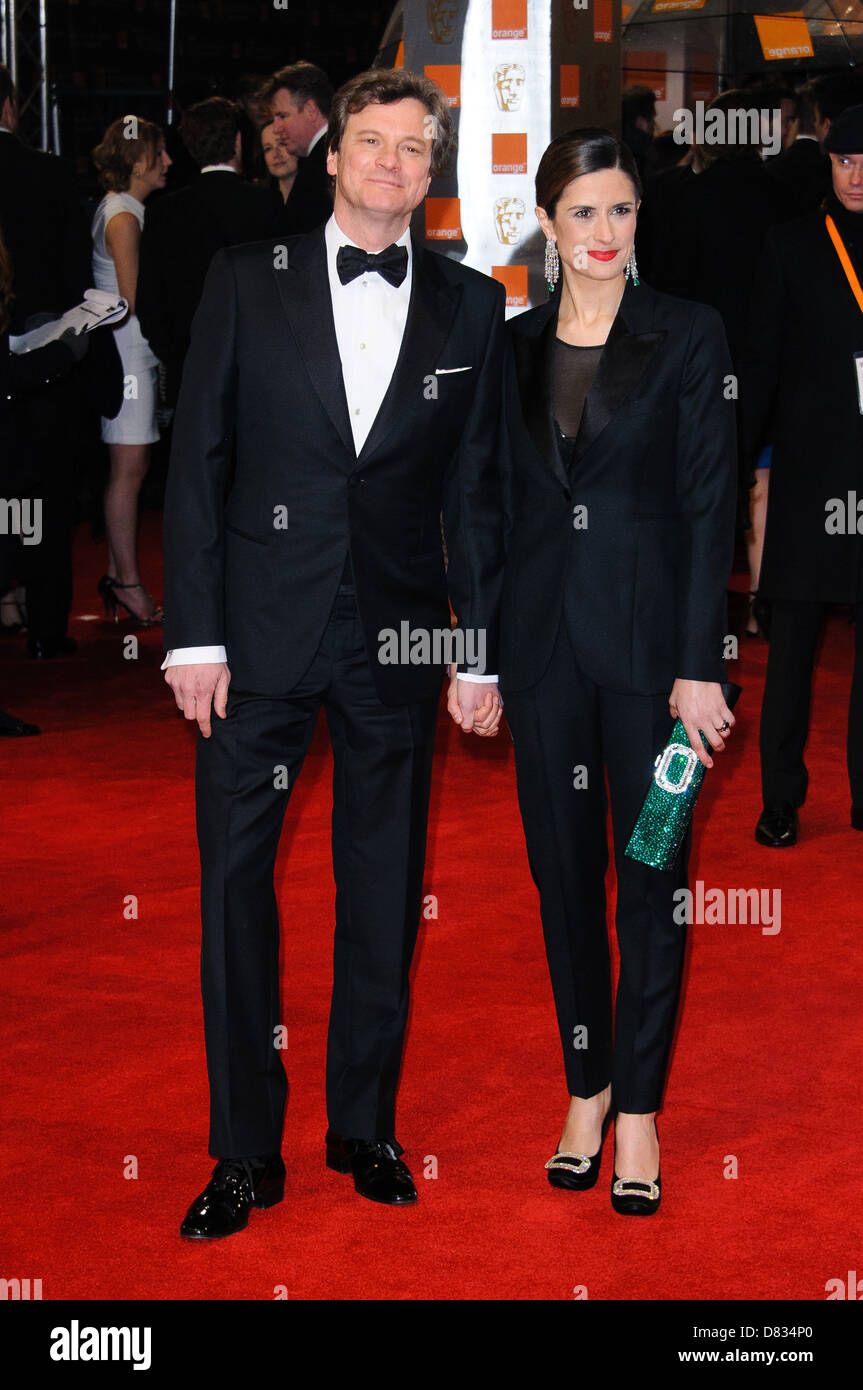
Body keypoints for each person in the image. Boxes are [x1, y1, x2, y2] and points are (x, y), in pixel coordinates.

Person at [162, 67, 506, 1239]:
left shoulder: (470, 305)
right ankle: (243, 1148)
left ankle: (363, 1121)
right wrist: (193, 632)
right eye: (371, 141)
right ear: (329, 153)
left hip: (398, 644)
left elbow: (474, 494)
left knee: (381, 890)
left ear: (431, 168)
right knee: (231, 892)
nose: (390, 164)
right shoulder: (243, 281)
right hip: (253, 637)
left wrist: (476, 654)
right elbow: (196, 461)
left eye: (415, 148)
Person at [494, 128, 737, 1214]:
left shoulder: (687, 336)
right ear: (547, 222)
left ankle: (638, 1107)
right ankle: (584, 1087)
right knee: (561, 888)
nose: (602, 233)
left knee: (649, 879)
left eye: (621, 211)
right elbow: (484, 508)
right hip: (542, 668)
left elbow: (707, 506)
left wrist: (699, 670)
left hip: (656, 684)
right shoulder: (507, 348)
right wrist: (477, 653)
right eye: (582, 212)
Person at [742, 103, 863, 847]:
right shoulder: (789, 246)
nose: (857, 177)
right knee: (789, 649)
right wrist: (732, 471)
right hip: (808, 481)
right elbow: (757, 370)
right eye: (846, 161)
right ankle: (779, 798)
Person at [137, 97, 277, 410]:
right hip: (253, 378)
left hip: (187, 372)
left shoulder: (163, 213)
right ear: (238, 141)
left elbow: (149, 303)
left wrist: (177, 357)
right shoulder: (264, 205)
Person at [91, 116, 171, 626]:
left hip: (129, 355)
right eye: (160, 153)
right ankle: (126, 583)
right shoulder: (124, 216)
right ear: (139, 160)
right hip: (127, 357)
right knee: (129, 471)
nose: (168, 162)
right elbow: (132, 300)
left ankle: (120, 573)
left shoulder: (122, 210)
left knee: (130, 471)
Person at [262, 61, 333, 233]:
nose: (276, 128)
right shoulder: (325, 158)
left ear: (310, 110)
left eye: (282, 116)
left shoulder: (323, 166)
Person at [260, 119, 299, 214]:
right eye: (268, 149)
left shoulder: (317, 194)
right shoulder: (260, 201)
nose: (275, 154)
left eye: (282, 144)